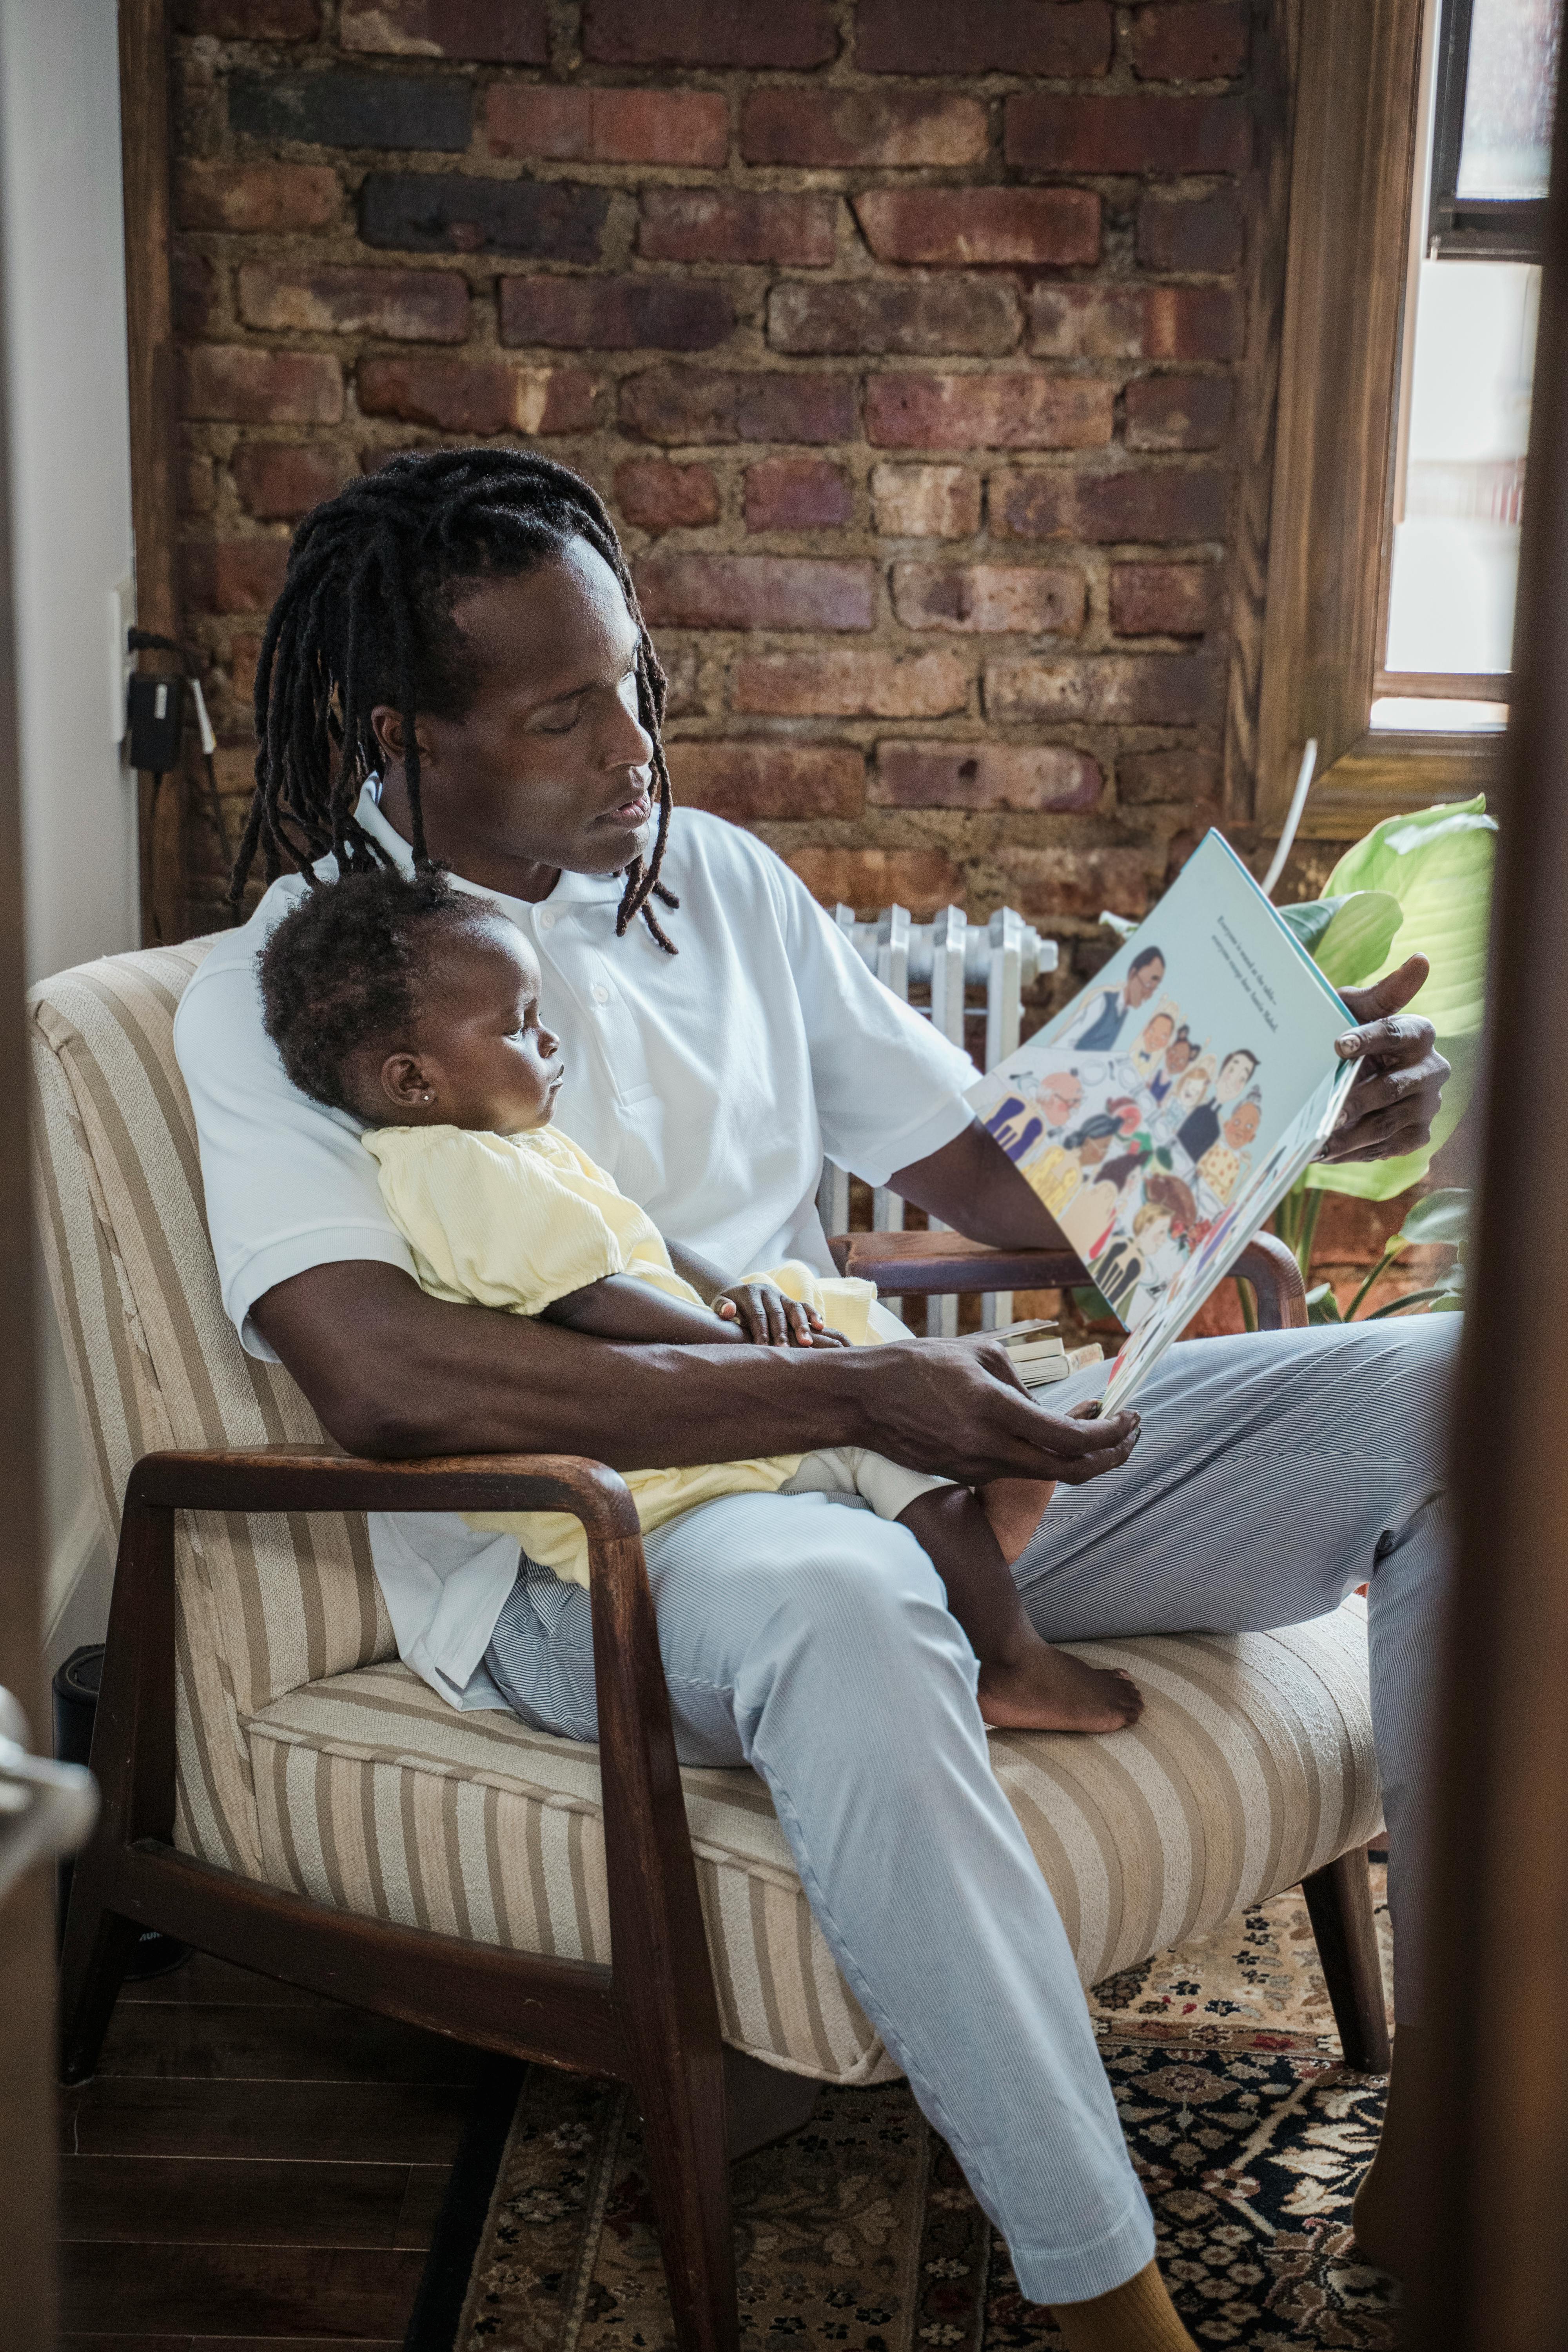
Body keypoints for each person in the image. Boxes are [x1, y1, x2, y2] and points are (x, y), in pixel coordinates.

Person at [173, 449, 1454, 2347]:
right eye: (563, 709)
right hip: (599, 1551)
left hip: (891, 1448)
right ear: (403, 736)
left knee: (1460, 1380)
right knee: (848, 1603)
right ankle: (1107, 2303)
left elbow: (1016, 1180)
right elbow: (382, 1373)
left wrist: (1285, 1109)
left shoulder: (730, 893)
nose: (634, 743)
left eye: (635, 681)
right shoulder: (301, 978)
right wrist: (852, 1385)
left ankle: (1460, 2108)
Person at [256, 864, 1140, 1738]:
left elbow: (634, 1249)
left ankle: (976, 1511)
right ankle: (1009, 1656)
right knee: (885, 1439)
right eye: (521, 1029)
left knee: (848, 1346)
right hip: (648, 1462)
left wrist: (741, 1299)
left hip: (671, 1400)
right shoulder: (459, 1171)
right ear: (414, 1082)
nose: (550, 1043)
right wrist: (758, 1355)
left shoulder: (506, 1150)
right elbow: (592, 1300)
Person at [1060, 946, 1167, 1054]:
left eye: (1154, 989)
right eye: (1149, 985)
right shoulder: (1104, 1002)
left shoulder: (1124, 1013)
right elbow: (1066, 1041)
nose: (1149, 995)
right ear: (1133, 974)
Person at [1175, 1047, 1259, 1164]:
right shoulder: (1197, 1106)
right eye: (1231, 1070)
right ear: (1220, 1074)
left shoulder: (1216, 1130)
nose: (1232, 1081)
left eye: (1242, 1079)